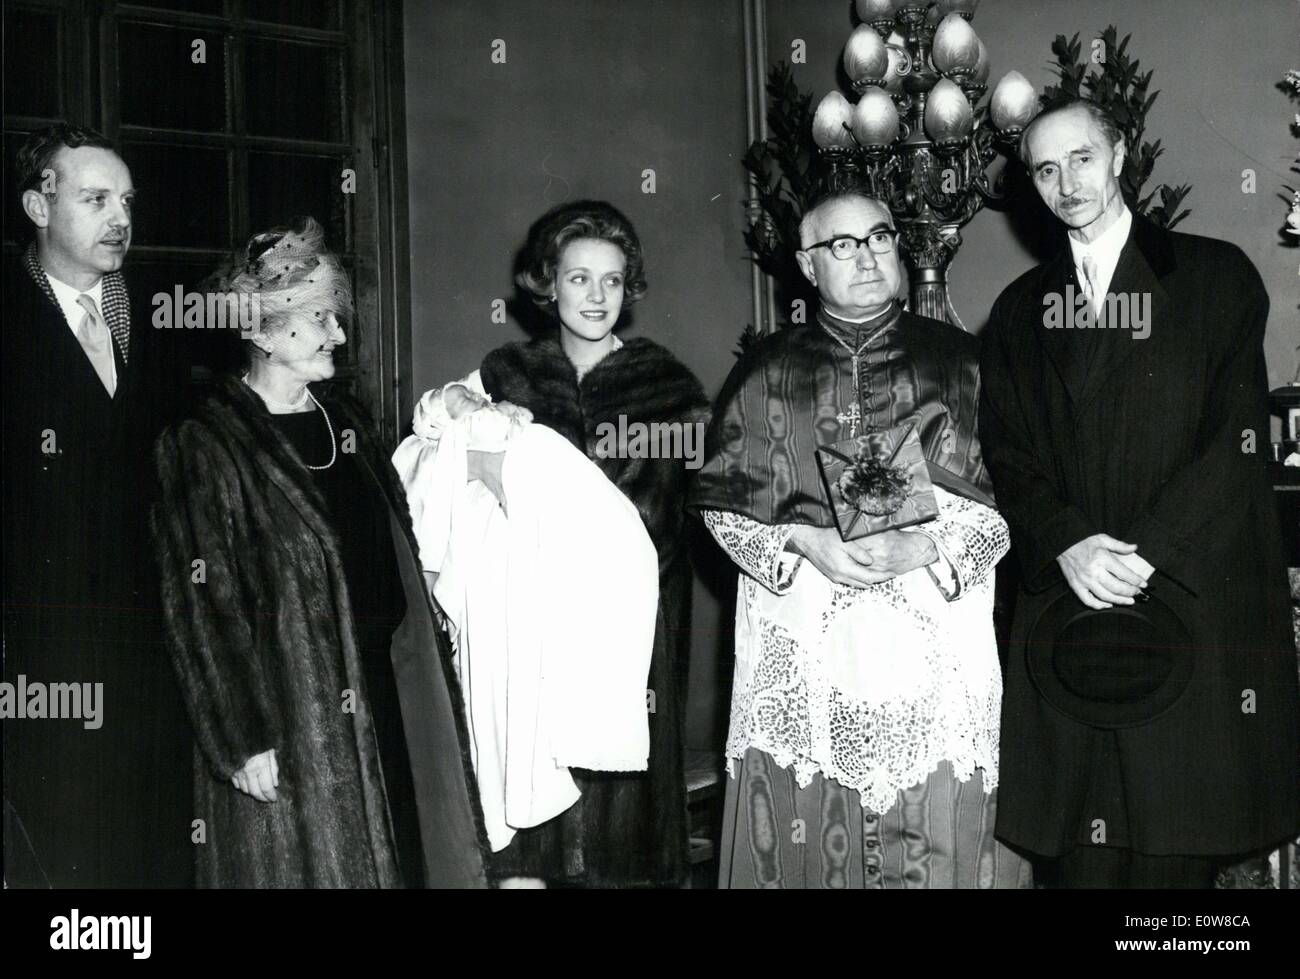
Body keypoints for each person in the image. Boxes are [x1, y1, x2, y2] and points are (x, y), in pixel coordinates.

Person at [979, 99, 1300, 887]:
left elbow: (1237, 446)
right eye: (1045, 169)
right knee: (1087, 858)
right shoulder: (1020, 310)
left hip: (1186, 602)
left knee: (1173, 860)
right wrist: (1068, 542)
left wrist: (1145, 554)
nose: (1066, 183)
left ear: (1120, 155)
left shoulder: (1216, 275)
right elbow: (1009, 455)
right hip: (1073, 608)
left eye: (1082, 159)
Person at [690, 190, 1031, 889]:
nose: (869, 255)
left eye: (879, 236)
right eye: (842, 244)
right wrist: (803, 544)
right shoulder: (767, 370)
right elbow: (723, 506)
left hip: (931, 643)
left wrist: (929, 547)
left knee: (938, 836)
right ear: (809, 266)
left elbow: (1015, 499)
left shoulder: (967, 362)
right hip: (809, 632)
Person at [151, 217, 487, 888]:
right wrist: (241, 736)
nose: (338, 333)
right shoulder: (206, 440)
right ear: (259, 329)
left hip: (384, 692)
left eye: (336, 316)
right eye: (319, 318)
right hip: (291, 709)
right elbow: (201, 602)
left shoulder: (347, 419)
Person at [470, 199, 709, 888]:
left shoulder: (665, 385)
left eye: (611, 280)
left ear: (629, 286)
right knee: (538, 781)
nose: (596, 296)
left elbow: (702, 493)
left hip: (633, 621)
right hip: (533, 616)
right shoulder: (507, 375)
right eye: (578, 278)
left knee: (623, 802)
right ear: (547, 282)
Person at [2, 123, 190, 887]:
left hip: (156, 642)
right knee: (64, 844)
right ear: (37, 207)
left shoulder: (159, 316)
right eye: (96, 198)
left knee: (154, 841)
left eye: (127, 201)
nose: (121, 218)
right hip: (43, 644)